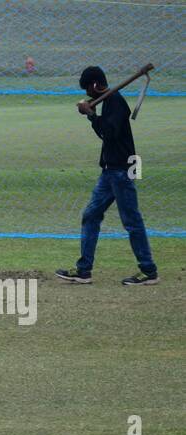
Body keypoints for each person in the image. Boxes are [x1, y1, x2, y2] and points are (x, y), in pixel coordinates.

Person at [56, 66, 158, 286]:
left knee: (132, 221)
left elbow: (108, 134)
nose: (88, 94)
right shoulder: (109, 101)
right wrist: (92, 115)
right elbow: (106, 133)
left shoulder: (116, 103)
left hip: (121, 170)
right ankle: (84, 271)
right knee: (91, 215)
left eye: (87, 89)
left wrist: (91, 114)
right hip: (110, 171)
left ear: (94, 85)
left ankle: (149, 271)